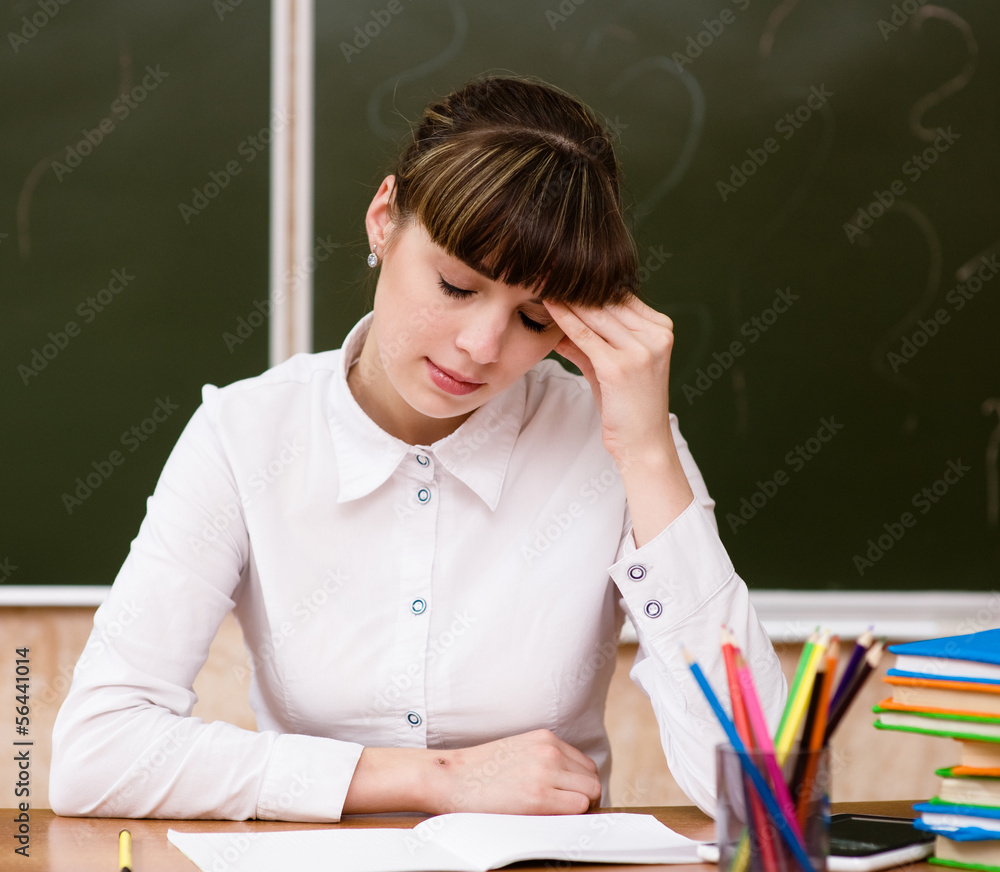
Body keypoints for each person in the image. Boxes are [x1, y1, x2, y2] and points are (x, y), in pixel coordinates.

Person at [50, 74, 785, 822]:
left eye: (534, 320)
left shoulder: (620, 445)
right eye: (457, 286)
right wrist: (434, 778)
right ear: (382, 220)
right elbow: (97, 755)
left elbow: (764, 792)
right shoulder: (244, 436)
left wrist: (649, 456)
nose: (481, 346)